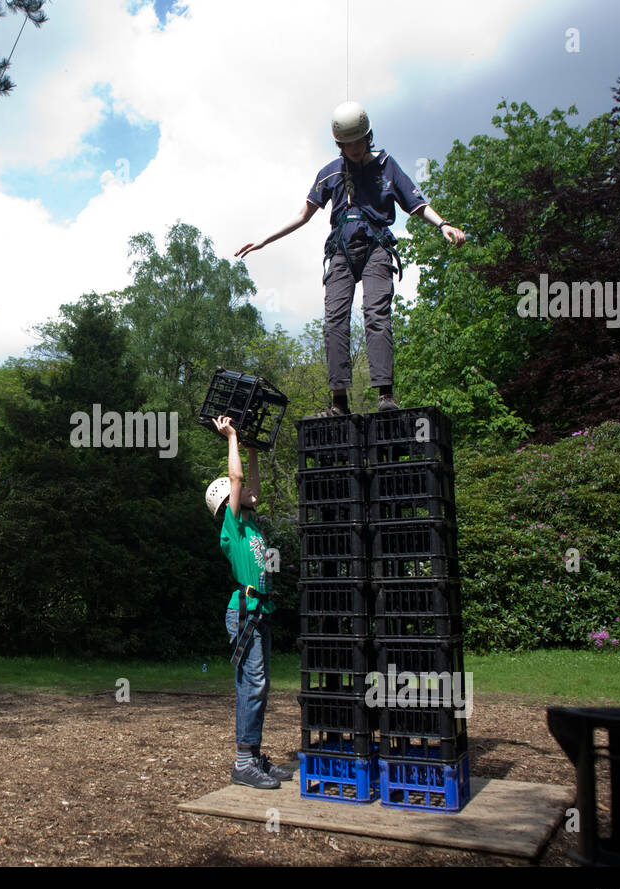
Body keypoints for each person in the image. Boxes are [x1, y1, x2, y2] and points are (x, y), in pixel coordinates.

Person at [237, 101, 467, 415]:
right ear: (339, 144)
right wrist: (264, 240)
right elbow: (303, 214)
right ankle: (339, 403)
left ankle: (385, 396)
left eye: (359, 141)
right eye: (347, 144)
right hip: (340, 251)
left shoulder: (387, 165)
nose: (355, 148)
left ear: (368, 136)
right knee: (334, 321)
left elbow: (416, 203)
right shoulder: (330, 173)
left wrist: (442, 224)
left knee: (376, 315)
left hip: (376, 247)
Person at [207, 415, 290, 790]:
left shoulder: (250, 522)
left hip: (260, 611)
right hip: (244, 612)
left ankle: (254, 757)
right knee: (252, 684)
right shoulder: (231, 524)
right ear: (227, 503)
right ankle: (242, 762)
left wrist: (253, 451)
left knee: (260, 684)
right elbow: (238, 482)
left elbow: (251, 487)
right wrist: (233, 438)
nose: (245, 498)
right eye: (236, 496)